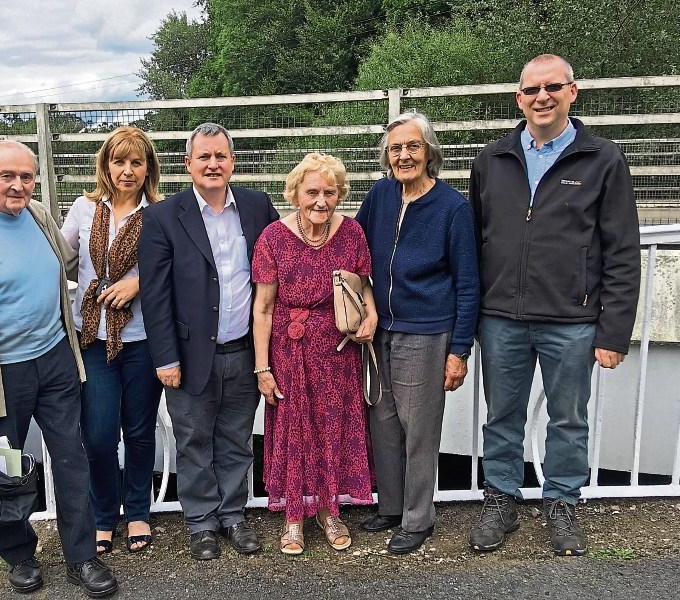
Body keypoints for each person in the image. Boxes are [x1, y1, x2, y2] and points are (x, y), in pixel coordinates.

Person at [468, 54, 641, 556]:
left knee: (568, 419)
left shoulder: (603, 159)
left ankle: (562, 502)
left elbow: (622, 250)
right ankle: (501, 498)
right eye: (531, 90)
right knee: (502, 415)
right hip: (501, 317)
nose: (541, 97)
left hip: (572, 320)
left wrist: (613, 331)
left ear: (573, 92)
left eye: (552, 87)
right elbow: (477, 237)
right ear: (518, 98)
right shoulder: (491, 158)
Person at [0, 140, 117, 597]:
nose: (18, 185)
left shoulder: (38, 215)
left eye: (26, 177)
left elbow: (71, 265)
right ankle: (18, 555)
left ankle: (81, 556)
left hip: (55, 358)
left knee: (72, 461)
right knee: (6, 469)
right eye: (7, 176)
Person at [138, 123, 279, 560]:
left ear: (233, 162)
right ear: (188, 164)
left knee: (236, 439)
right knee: (194, 439)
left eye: (221, 156)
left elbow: (280, 270)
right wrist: (165, 356)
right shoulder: (163, 216)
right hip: (188, 355)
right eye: (205, 157)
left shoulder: (257, 207)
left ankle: (234, 516)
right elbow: (155, 294)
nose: (213, 164)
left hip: (243, 351)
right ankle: (201, 523)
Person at [355, 111, 480, 554]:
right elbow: (355, 247)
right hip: (378, 330)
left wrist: (459, 350)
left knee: (419, 429)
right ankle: (390, 506)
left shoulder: (452, 208)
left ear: (429, 152)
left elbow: (468, 283)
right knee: (383, 422)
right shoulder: (381, 195)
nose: (403, 155)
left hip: (427, 334)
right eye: (395, 149)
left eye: (412, 146)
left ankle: (417, 518)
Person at [252, 153, 377, 555]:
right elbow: (264, 308)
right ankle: (293, 518)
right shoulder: (272, 237)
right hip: (289, 350)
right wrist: (262, 368)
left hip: (338, 351)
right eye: (312, 192)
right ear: (295, 194)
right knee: (293, 428)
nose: (321, 200)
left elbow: (364, 286)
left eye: (329, 192)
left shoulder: (353, 233)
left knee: (333, 428)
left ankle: (330, 511)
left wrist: (371, 315)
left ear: (339, 193)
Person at [61, 126, 164, 555]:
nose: (127, 171)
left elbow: (170, 267)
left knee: (139, 432)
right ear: (106, 165)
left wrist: (136, 283)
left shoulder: (161, 213)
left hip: (143, 340)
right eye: (119, 162)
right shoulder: (84, 210)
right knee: (100, 435)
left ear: (148, 168)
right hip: (94, 339)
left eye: (136, 162)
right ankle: (104, 515)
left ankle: (137, 511)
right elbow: (62, 259)